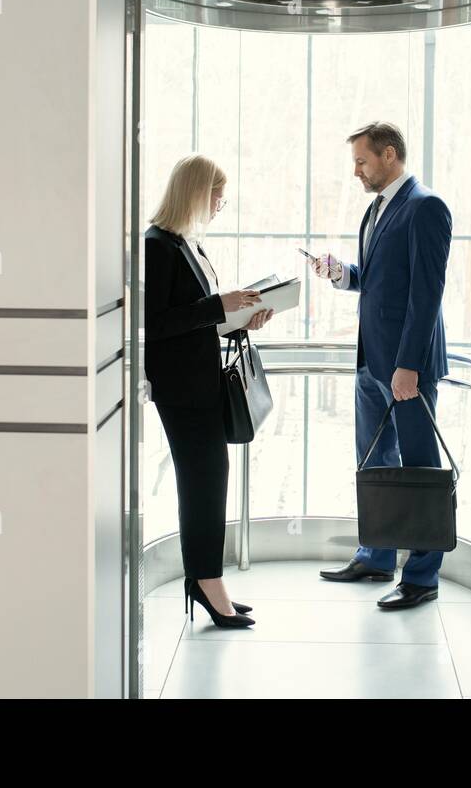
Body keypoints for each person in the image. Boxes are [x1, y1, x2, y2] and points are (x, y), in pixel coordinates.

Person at [309, 122, 453, 609]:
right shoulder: (377, 210)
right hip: (372, 363)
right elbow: (375, 282)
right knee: (374, 462)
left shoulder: (426, 207)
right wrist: (341, 274)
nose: (356, 171)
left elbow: (426, 294)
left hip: (406, 369)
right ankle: (376, 553)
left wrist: (409, 366)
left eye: (361, 161)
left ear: (389, 155)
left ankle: (422, 576)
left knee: (417, 468)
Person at [144, 155, 275, 628]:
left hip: (201, 384)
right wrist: (217, 306)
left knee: (209, 483)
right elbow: (153, 325)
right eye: (216, 196)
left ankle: (207, 579)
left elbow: (200, 321)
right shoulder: (157, 245)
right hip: (180, 391)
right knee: (201, 484)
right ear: (195, 192)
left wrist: (239, 317)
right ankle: (205, 582)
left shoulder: (187, 245)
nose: (220, 206)